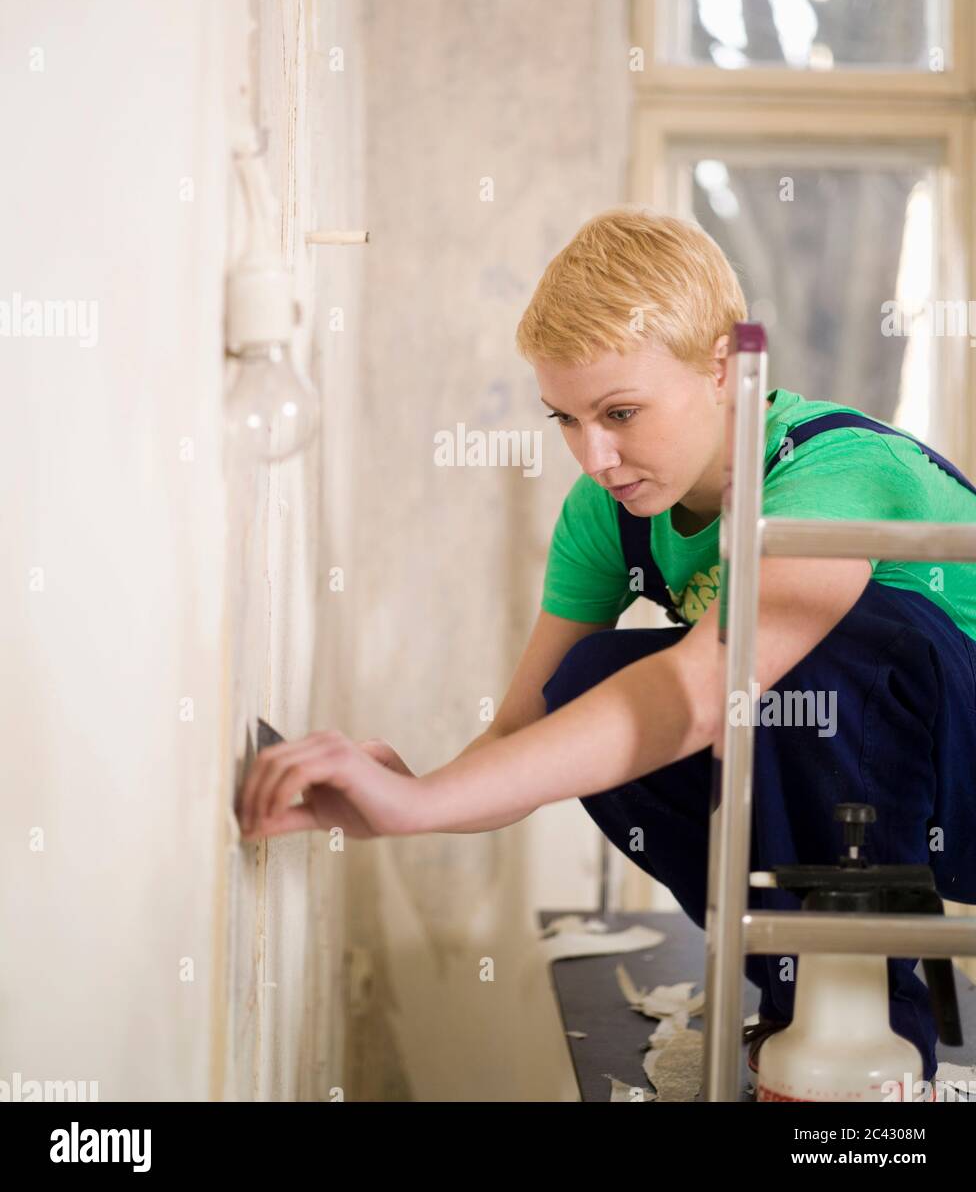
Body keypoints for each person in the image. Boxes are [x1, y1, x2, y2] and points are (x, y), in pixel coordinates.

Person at [237, 207, 976, 1083]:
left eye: (621, 413)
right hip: (859, 794)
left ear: (722, 369)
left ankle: (870, 1022)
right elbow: (520, 727)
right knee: (589, 679)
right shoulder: (608, 515)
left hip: (956, 783)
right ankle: (808, 989)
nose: (595, 456)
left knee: (826, 647)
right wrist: (412, 797)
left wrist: (422, 807)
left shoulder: (836, 471)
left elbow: (707, 690)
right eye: (565, 419)